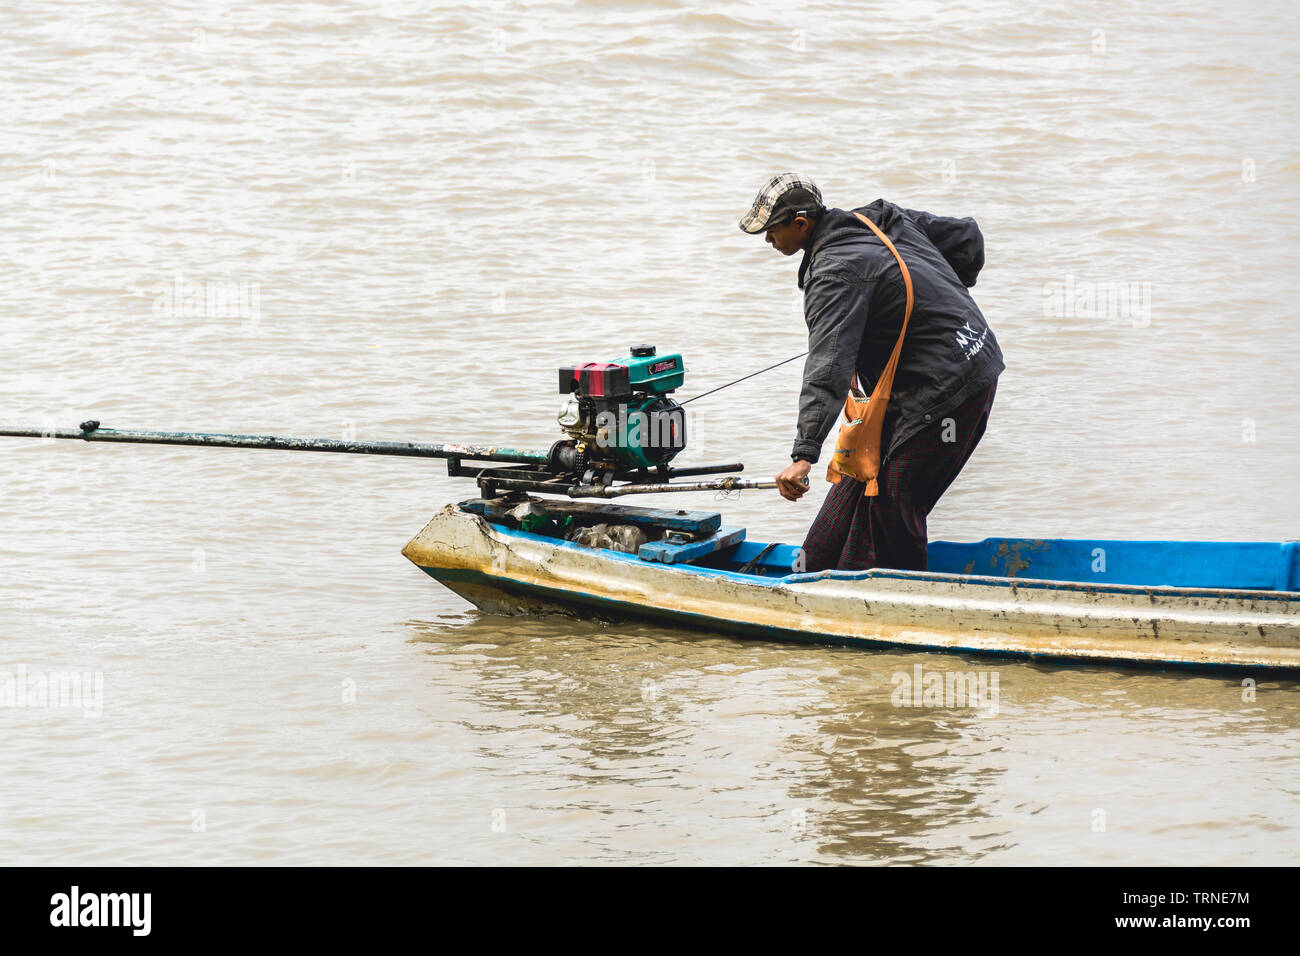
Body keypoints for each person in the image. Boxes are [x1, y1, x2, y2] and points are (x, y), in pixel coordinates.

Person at [739, 172, 1004, 573]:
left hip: (948, 394)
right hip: (973, 354)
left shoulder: (833, 274)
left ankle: (905, 605)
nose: (766, 240)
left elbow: (827, 368)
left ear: (800, 223)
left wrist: (804, 454)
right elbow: (967, 239)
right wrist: (943, 304)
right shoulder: (877, 218)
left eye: (771, 230)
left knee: (892, 504)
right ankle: (815, 572)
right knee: (855, 480)